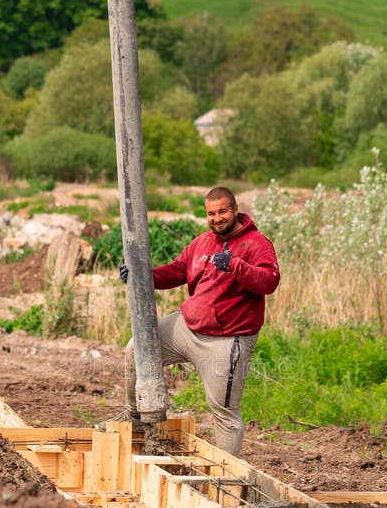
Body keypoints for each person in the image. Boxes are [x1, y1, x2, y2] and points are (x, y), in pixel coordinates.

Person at [117, 186, 280, 456]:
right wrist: (141, 274)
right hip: (187, 326)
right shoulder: (202, 242)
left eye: (223, 212)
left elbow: (269, 282)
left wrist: (235, 265)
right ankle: (132, 416)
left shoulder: (257, 244)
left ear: (235, 210)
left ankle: (227, 477)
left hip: (227, 340)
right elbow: (178, 270)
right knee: (137, 349)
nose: (217, 218)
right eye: (211, 213)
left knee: (224, 412)